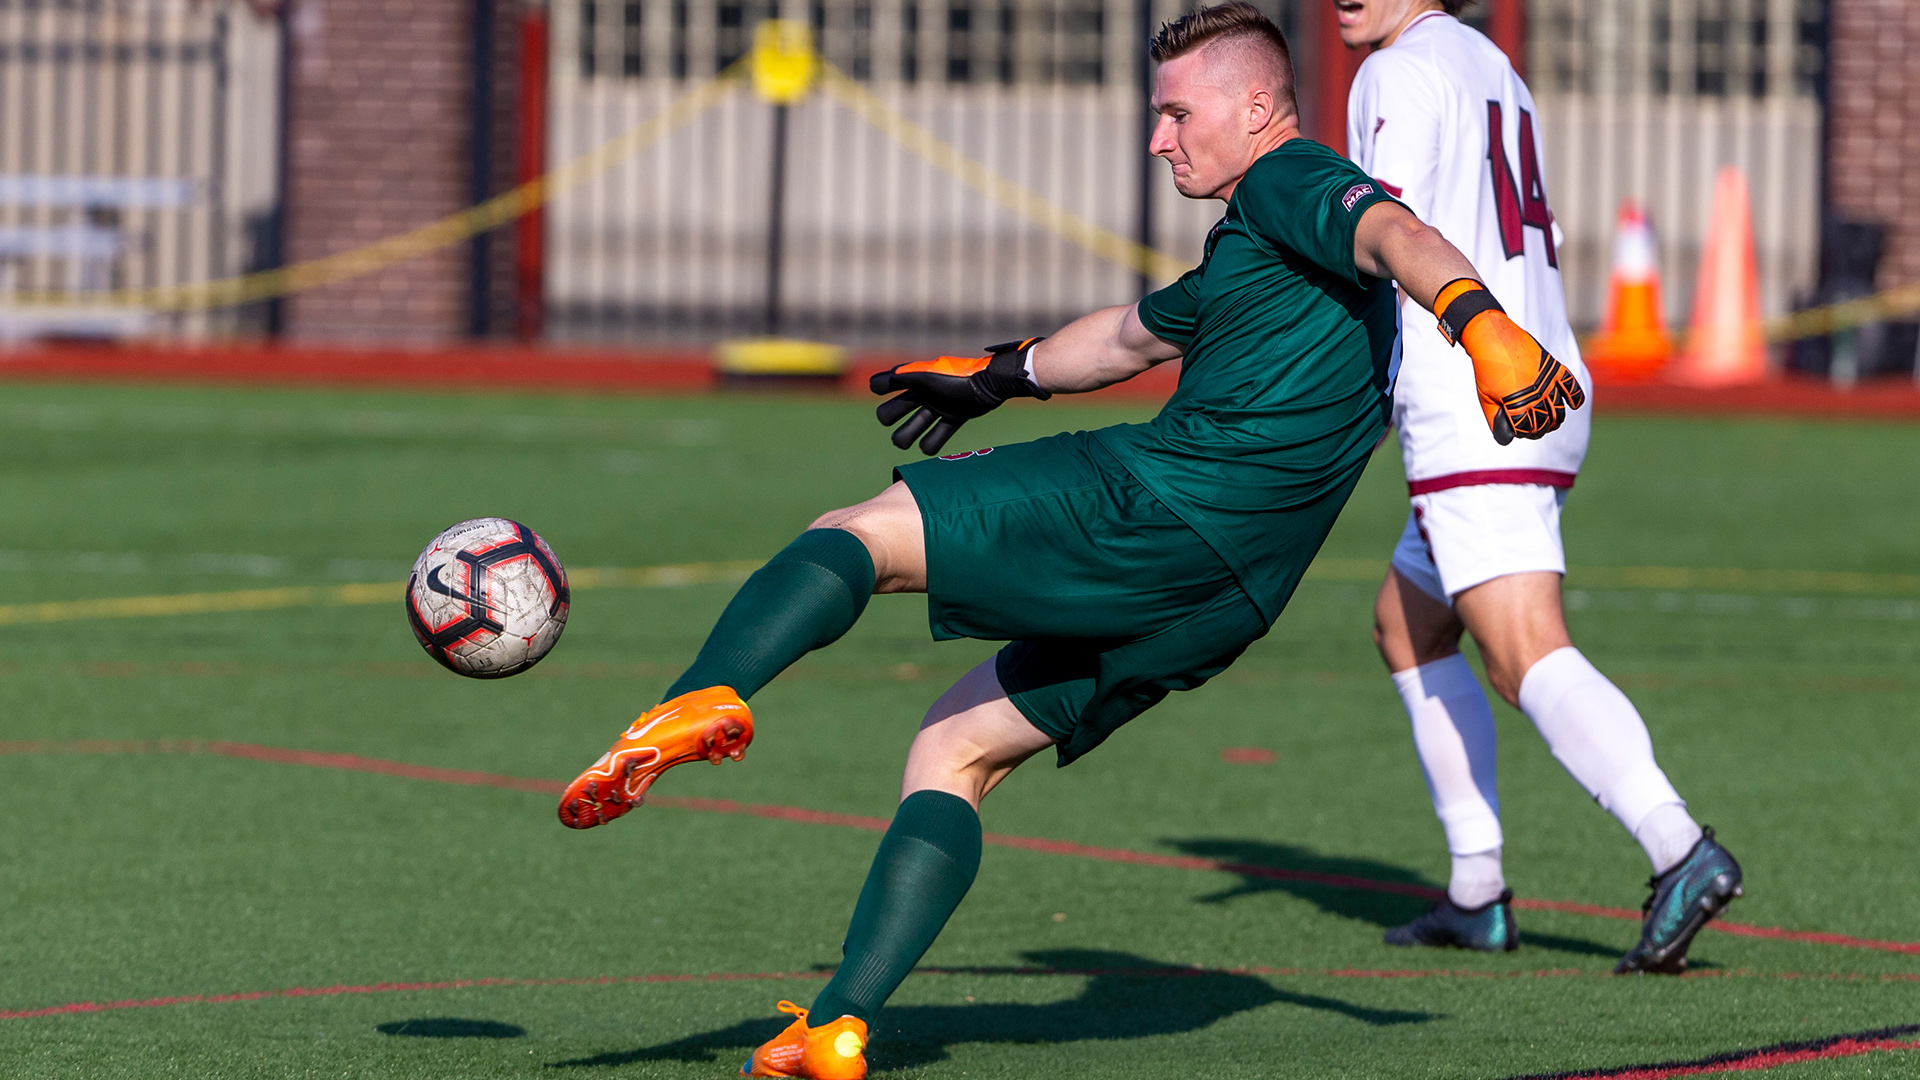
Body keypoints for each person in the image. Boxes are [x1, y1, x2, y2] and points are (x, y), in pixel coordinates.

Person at [556, 4, 1580, 1075]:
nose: (1159, 138)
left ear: (1260, 108)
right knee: (951, 749)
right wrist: (998, 374)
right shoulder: (1261, 246)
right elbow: (1135, 335)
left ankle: (703, 694)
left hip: (1160, 504)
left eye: (1178, 114)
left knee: (856, 533)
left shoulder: (1295, 179)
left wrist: (1482, 324)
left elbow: (1396, 233)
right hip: (1227, 598)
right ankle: (837, 1024)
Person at [1334, 0, 1742, 973]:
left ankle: (1678, 847)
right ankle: (1477, 891)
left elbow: (1377, 234)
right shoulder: (1490, 65)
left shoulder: (1393, 71)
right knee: (1408, 624)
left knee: (1522, 655)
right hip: (1542, 382)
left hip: (1478, 393)